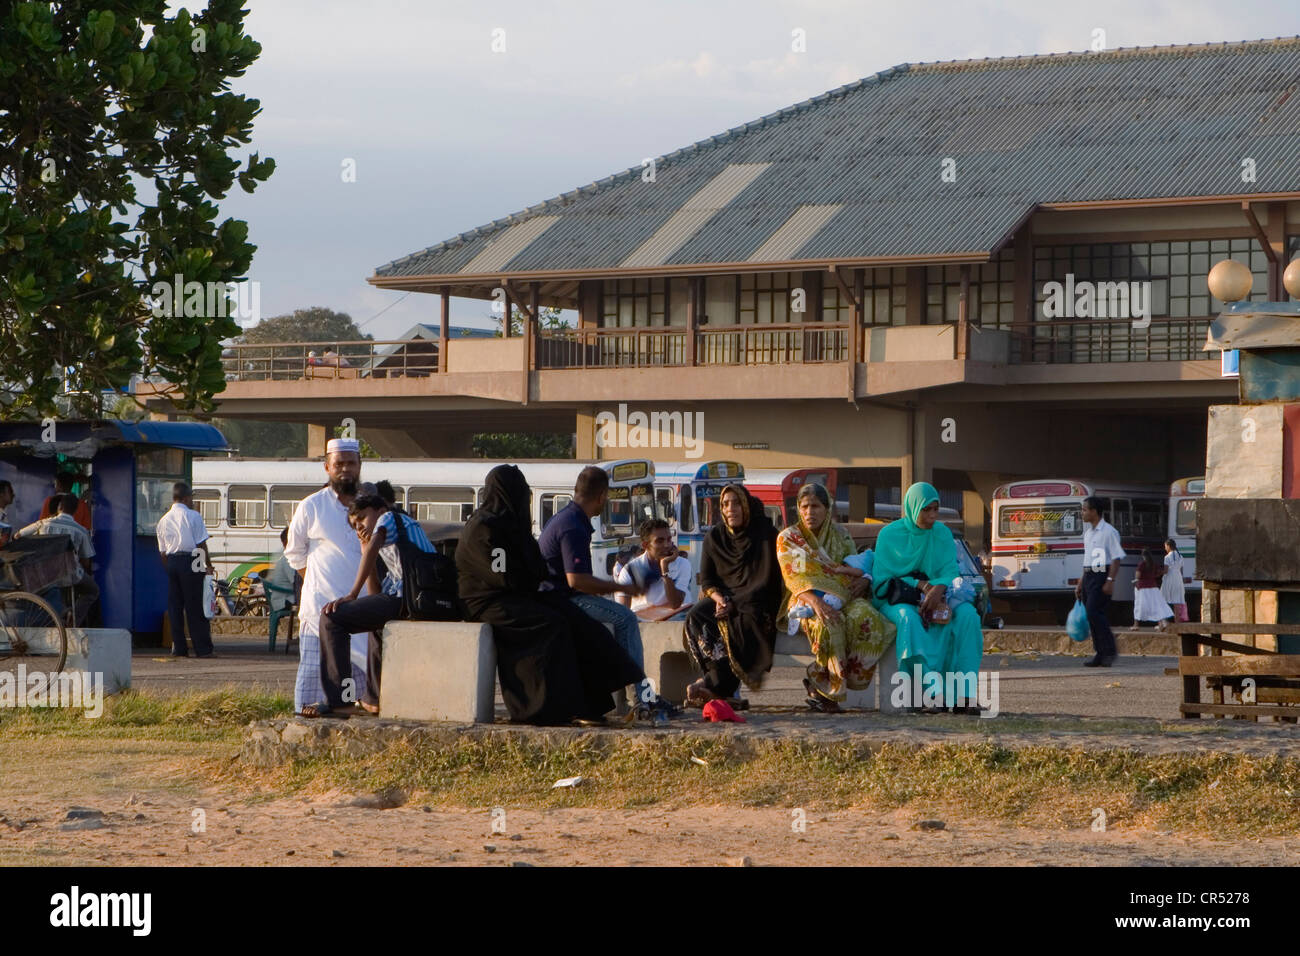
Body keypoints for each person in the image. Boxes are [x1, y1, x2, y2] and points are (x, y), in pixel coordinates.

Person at [457, 464, 644, 726]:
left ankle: (588, 704)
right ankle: (545, 708)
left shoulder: (514, 526)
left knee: (579, 621)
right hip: (489, 601)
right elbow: (500, 573)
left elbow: (535, 567)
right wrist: (527, 576)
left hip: (518, 595)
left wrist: (527, 576)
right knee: (553, 625)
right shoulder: (485, 528)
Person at [304, 491, 438, 717]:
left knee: (332, 619)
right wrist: (365, 548)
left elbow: (376, 543)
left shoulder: (389, 518)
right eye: (355, 525)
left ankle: (340, 702)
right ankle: (373, 700)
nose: (360, 528)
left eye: (362, 518)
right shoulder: (397, 535)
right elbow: (376, 593)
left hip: (411, 599)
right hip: (416, 600)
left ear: (379, 510)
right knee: (375, 626)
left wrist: (352, 594)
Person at [539, 466, 656, 709]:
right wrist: (623, 588)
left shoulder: (566, 518)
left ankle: (632, 696)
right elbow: (577, 581)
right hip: (562, 598)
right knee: (625, 618)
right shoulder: (573, 526)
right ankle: (642, 698)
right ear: (602, 496)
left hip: (556, 595)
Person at [777, 482, 895, 713]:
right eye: (805, 507)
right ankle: (827, 694)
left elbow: (853, 565)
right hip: (805, 599)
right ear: (798, 510)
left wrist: (863, 581)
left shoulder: (841, 535)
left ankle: (822, 680)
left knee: (868, 619)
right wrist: (816, 602)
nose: (810, 512)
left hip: (843, 595)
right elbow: (794, 578)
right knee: (830, 623)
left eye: (816, 506)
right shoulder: (789, 538)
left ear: (827, 508)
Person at [871, 482, 984, 713]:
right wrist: (921, 585)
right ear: (912, 508)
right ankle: (934, 694)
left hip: (939, 596)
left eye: (935, 509)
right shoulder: (889, 535)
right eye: (926, 510)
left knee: (968, 616)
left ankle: (964, 696)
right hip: (898, 598)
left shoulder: (941, 533)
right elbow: (883, 579)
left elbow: (950, 570)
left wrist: (938, 589)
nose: (932, 516)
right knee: (909, 620)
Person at [284, 438, 368, 714]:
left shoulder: (371, 506)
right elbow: (294, 552)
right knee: (313, 674)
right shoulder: (311, 506)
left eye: (351, 463)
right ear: (327, 468)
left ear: (359, 466)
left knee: (360, 677)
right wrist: (316, 582)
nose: (345, 469)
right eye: (339, 464)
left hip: (361, 609)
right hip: (319, 610)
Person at [683, 484, 784, 708]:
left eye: (736, 503)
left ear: (746, 505)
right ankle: (715, 683)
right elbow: (708, 580)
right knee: (696, 617)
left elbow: (768, 582)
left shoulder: (765, 534)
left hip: (757, 601)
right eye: (726, 504)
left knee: (743, 619)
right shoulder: (715, 537)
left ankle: (714, 687)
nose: (731, 509)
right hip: (724, 598)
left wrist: (734, 604)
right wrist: (720, 599)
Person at [16, 493, 100, 627]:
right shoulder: (81, 530)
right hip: (71, 575)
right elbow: (85, 562)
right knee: (93, 591)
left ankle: (59, 615)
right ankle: (73, 620)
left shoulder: (43, 524)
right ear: (75, 510)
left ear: (59, 507)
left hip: (44, 576)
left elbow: (18, 535)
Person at [153, 483, 214, 656]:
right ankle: (202, 648)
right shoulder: (193, 516)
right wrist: (207, 565)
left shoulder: (163, 520)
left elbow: (162, 552)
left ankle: (179, 648)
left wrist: (170, 568)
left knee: (175, 606)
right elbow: (201, 544)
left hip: (172, 562)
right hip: (191, 559)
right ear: (187, 498)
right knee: (194, 606)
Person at [1074, 494, 1124, 667]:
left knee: (1094, 612)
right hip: (1089, 574)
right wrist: (1081, 582)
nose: (1082, 513)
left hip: (1102, 574)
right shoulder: (1088, 534)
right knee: (1091, 615)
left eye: (1085, 510)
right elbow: (1088, 559)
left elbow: (1116, 558)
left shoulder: (1109, 532)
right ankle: (1100, 652)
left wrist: (1110, 580)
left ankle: (1109, 650)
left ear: (1094, 511)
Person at [614, 518, 694, 622]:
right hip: (647, 626)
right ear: (645, 545)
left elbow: (675, 603)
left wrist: (664, 568)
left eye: (669, 539)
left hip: (677, 622)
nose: (667, 545)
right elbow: (622, 613)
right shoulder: (630, 570)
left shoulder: (682, 564)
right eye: (659, 541)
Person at [1134, 548, 1175, 628]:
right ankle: (1163, 622)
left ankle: (1136, 625)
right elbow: (1159, 573)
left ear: (1143, 556)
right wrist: (1152, 577)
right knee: (1157, 605)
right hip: (1153, 587)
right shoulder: (1154, 564)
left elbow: (1138, 576)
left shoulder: (1142, 564)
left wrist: (1136, 581)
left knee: (1139, 606)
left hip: (1142, 588)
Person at [1162, 538, 1189, 623]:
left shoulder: (1167, 557)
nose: (1165, 548)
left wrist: (1158, 572)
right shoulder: (1180, 556)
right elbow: (1181, 571)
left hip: (1169, 579)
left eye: (1165, 546)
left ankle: (1164, 622)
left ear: (1169, 546)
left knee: (1163, 599)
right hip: (1178, 579)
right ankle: (1177, 622)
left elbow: (1166, 571)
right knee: (1176, 601)